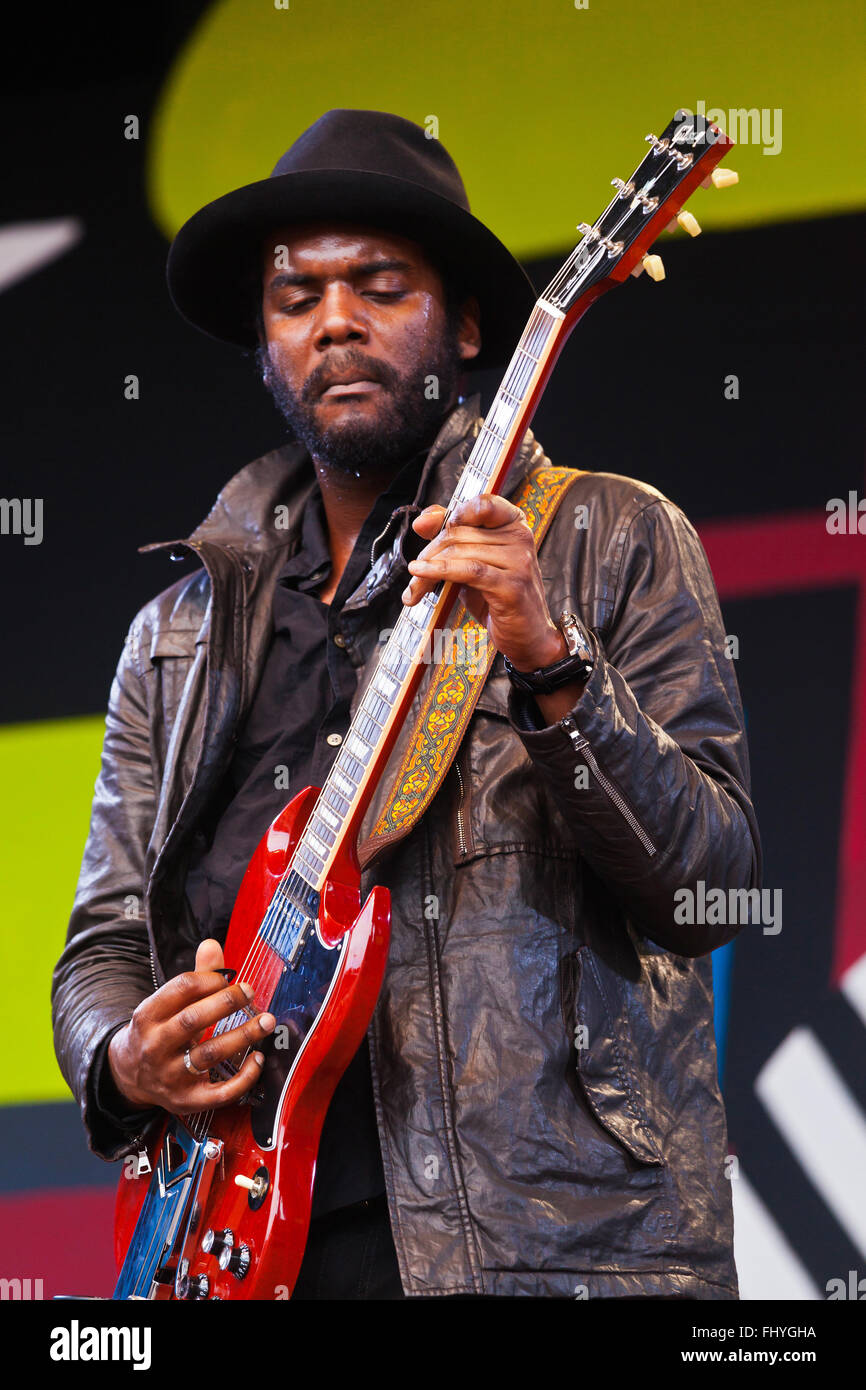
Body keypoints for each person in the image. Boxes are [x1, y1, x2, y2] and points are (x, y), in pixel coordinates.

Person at [52, 109, 761, 1300]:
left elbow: (706, 883)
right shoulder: (171, 637)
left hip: (548, 1260)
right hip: (224, 1253)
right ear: (262, 342)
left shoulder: (607, 537)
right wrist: (126, 1056)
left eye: (380, 283)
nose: (334, 319)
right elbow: (106, 946)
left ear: (467, 322)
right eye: (295, 298)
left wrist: (548, 662)